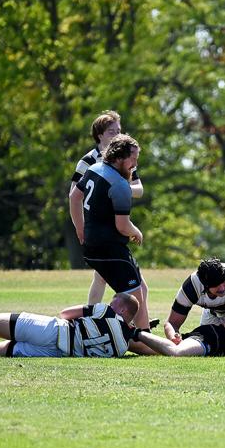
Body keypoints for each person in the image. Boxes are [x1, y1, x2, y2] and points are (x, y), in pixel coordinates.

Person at [69, 133, 150, 330]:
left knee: (141, 287)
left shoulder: (95, 168)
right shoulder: (121, 185)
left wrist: (80, 228)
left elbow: (74, 197)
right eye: (133, 159)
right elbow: (123, 226)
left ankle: (122, 330)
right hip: (110, 251)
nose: (134, 164)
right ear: (119, 156)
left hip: (91, 247)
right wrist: (136, 231)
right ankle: (146, 340)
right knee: (136, 297)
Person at [0, 293, 147, 357]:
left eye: (114, 300)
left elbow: (65, 313)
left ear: (122, 309)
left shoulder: (105, 311)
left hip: (53, 330)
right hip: (57, 353)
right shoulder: (121, 346)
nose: (110, 302)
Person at [161, 258, 225, 343]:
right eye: (216, 285)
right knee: (205, 341)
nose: (222, 288)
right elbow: (171, 323)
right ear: (204, 286)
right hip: (212, 313)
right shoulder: (191, 287)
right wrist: (173, 337)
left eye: (223, 282)